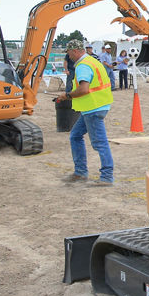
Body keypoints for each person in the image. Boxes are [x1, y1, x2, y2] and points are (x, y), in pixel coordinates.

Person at [56, 39, 114, 186]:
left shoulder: (83, 66)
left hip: (93, 107)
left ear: (75, 51)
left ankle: (106, 176)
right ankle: (80, 172)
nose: (68, 56)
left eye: (69, 53)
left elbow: (83, 89)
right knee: (75, 136)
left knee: (99, 143)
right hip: (98, 105)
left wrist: (67, 95)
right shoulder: (92, 61)